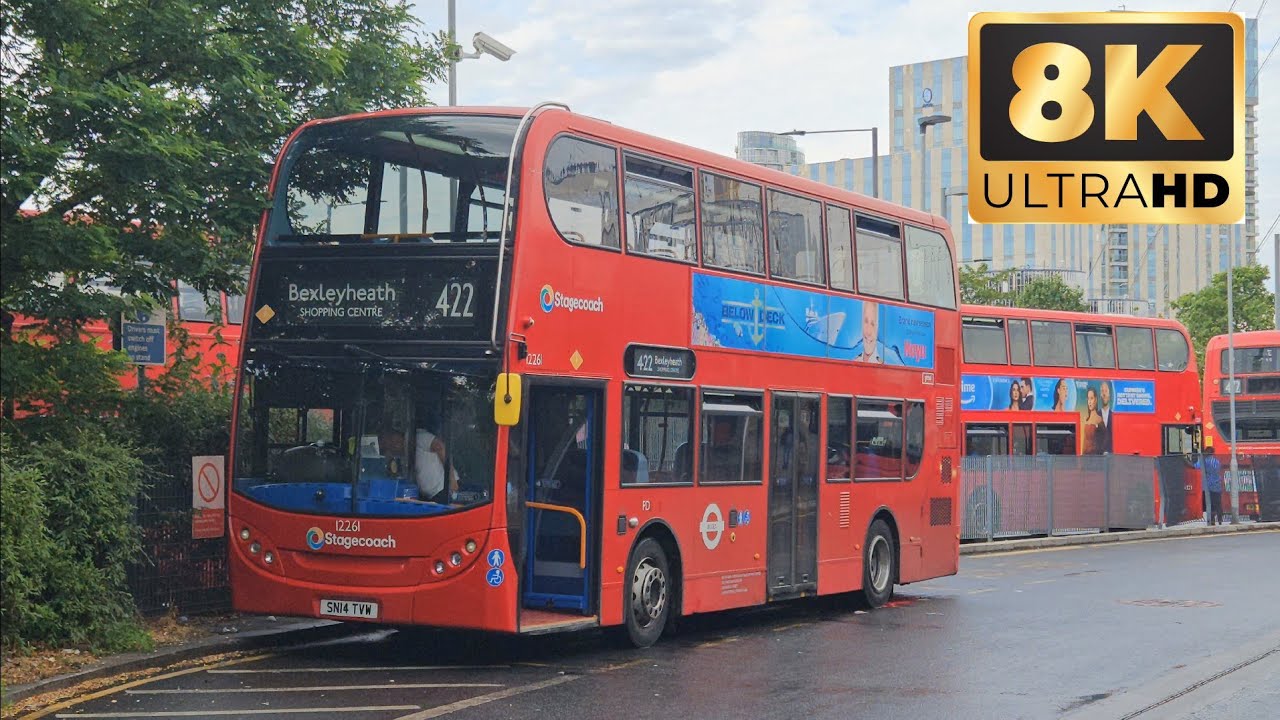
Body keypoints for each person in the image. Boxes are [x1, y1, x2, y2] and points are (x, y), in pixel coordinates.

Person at [413, 418, 460, 503]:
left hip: (444, 490)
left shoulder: (420, 436)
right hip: (430, 497)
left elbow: (440, 447)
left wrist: (451, 479)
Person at [1200, 445, 1225, 525]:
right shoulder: (1217, 461)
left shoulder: (1204, 461)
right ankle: (1220, 520)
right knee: (1218, 503)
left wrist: (1184, 461)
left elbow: (1194, 466)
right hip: (1217, 485)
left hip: (1207, 487)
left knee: (1209, 504)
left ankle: (1212, 520)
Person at [1097, 381, 1114, 454]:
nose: (1104, 394)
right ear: (1100, 394)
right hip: (1099, 458)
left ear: (1109, 394)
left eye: (1106, 391)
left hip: (1112, 457)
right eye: (1102, 391)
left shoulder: (1114, 416)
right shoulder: (1096, 415)